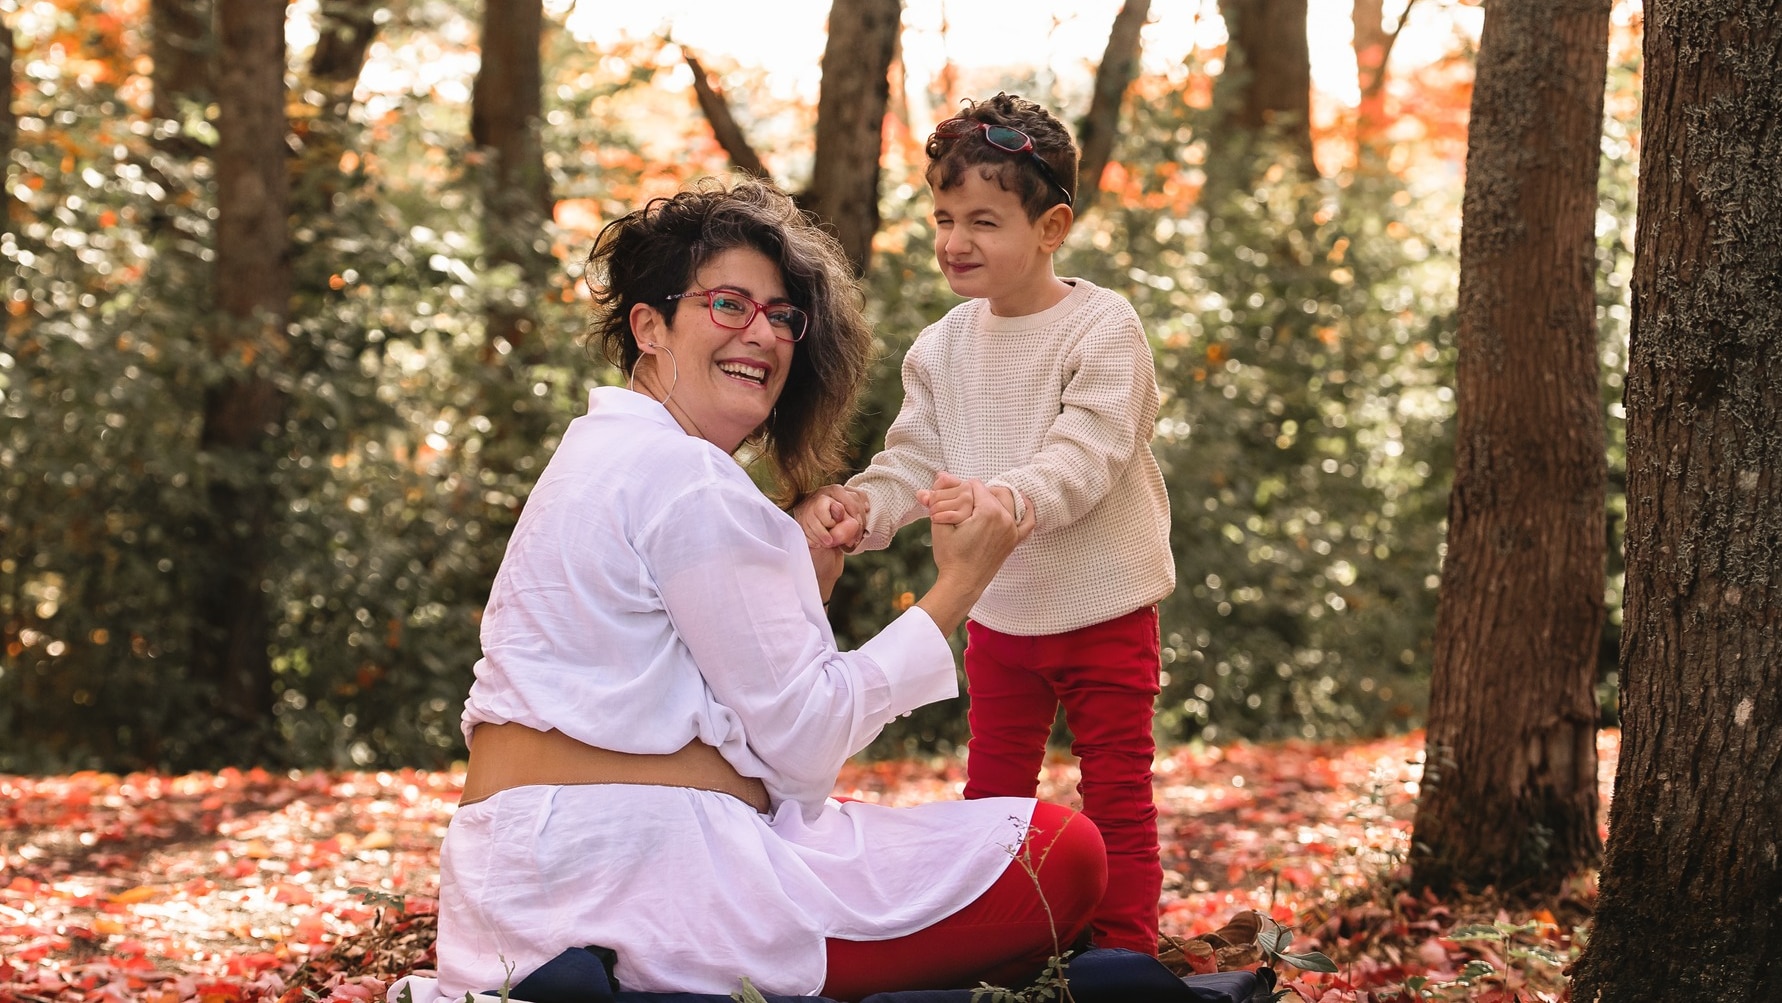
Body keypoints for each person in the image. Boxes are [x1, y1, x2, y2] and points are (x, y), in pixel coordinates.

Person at [389, 176, 1108, 1003]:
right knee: (1062, 852)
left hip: (520, 887)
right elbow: (804, 750)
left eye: (781, 315)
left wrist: (800, 590)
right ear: (649, 327)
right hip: (645, 870)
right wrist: (959, 585)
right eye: (727, 304)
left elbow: (718, 709)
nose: (762, 334)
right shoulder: (688, 477)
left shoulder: (597, 454)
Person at [793, 93, 1176, 957]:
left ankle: (1125, 955)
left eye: (983, 221)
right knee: (995, 795)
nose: (955, 241)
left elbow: (1090, 450)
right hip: (1001, 618)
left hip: (1107, 607)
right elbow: (913, 458)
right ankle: (1002, 943)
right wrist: (863, 506)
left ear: (1051, 228)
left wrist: (1008, 498)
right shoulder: (941, 346)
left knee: (1117, 792)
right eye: (944, 218)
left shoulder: (1102, 327)